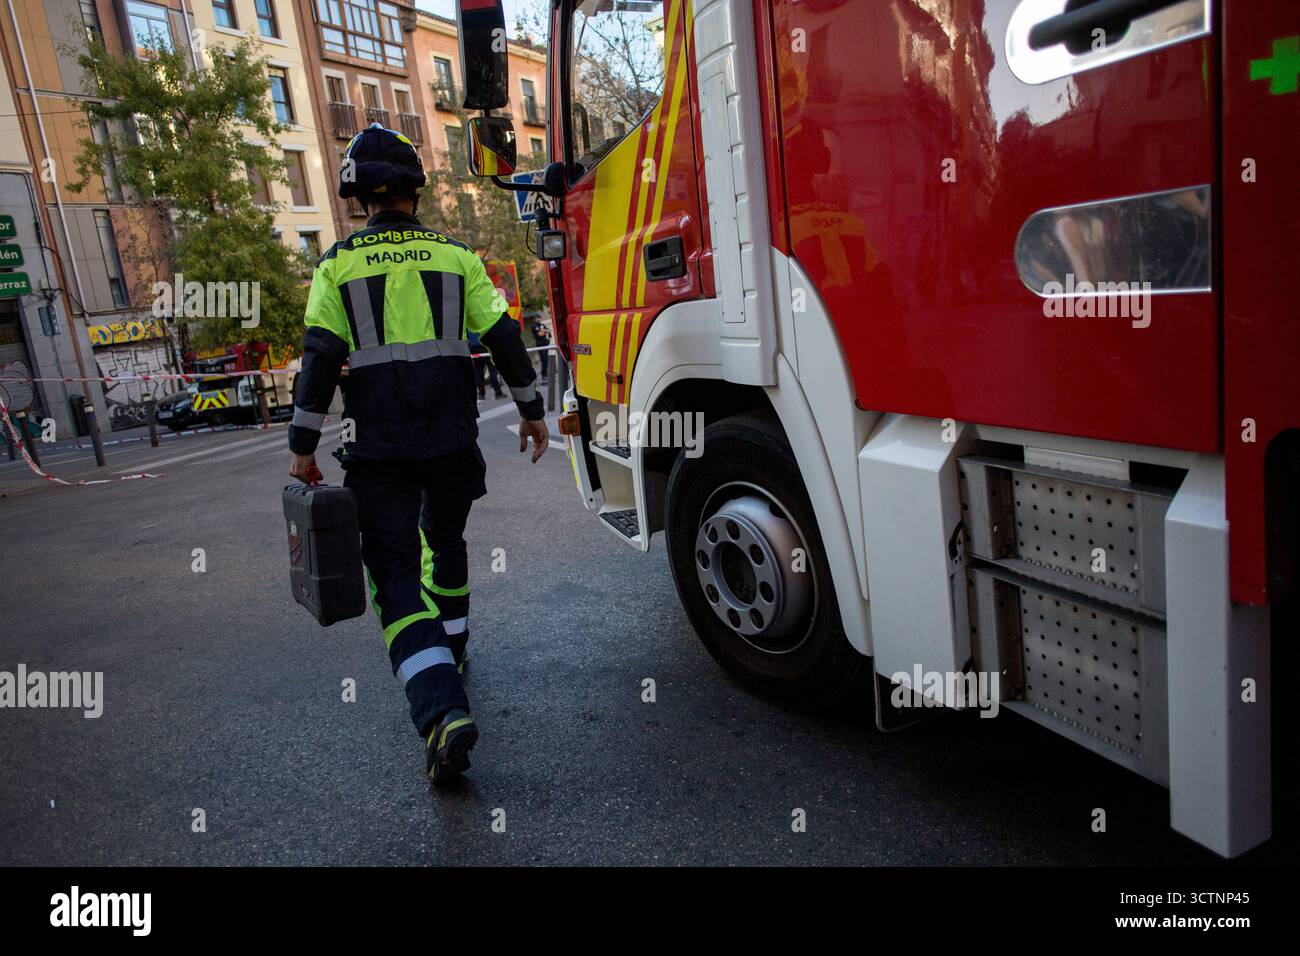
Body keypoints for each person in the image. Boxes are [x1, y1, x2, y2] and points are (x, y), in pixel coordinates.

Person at [287, 124, 549, 783]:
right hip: (453, 444)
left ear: (357, 196)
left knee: (398, 578)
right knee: (449, 540)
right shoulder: (457, 258)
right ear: (414, 192)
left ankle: (440, 711)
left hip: (381, 453)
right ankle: (453, 647)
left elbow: (320, 359)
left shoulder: (337, 265)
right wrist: (532, 412)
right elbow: (505, 336)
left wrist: (301, 447)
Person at [469, 330, 504, 400]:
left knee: (478, 372)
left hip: (473, 347)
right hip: (484, 345)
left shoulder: (466, 322)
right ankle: (498, 392)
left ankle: (481, 394)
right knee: (492, 369)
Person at [531, 314, 552, 385]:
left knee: (547, 360)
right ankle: (544, 375)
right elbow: (540, 333)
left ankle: (546, 374)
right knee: (544, 360)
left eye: (539, 317)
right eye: (538, 318)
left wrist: (545, 331)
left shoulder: (541, 325)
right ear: (535, 318)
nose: (539, 319)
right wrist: (545, 331)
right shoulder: (534, 326)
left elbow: (549, 331)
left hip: (545, 344)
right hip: (540, 345)